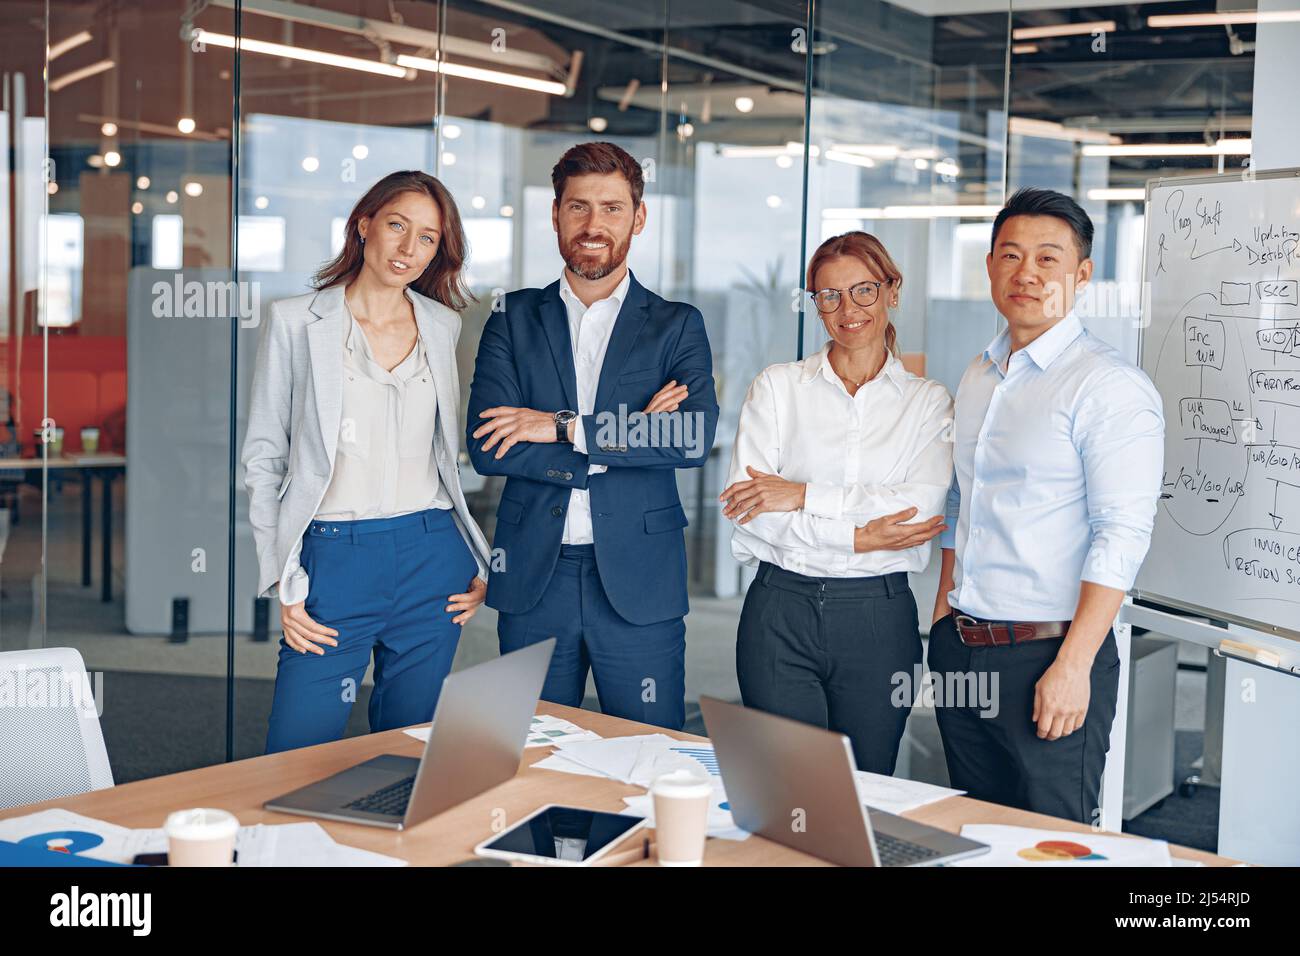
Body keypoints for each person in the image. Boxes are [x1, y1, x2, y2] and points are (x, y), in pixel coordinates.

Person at [929, 186, 1164, 823]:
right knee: (976, 831)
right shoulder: (979, 374)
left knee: (1052, 845)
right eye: (1010, 255)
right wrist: (943, 610)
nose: (1025, 273)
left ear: (1082, 274)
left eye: (1047, 259)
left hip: (1049, 655)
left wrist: (1074, 664)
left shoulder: (1108, 386)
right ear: (989, 266)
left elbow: (1122, 535)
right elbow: (961, 496)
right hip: (963, 645)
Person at [465, 141, 718, 731]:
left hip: (640, 577)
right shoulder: (511, 316)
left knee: (645, 749)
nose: (593, 224)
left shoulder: (676, 325)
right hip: (535, 576)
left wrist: (558, 426)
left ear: (638, 217)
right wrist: (621, 443)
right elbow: (488, 445)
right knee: (529, 750)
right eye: (578, 207)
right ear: (555, 214)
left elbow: (688, 439)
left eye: (611, 208)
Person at [242, 171, 491, 755]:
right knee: (297, 753)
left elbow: (445, 458)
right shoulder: (295, 321)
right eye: (398, 226)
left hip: (432, 554)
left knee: (412, 751)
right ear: (364, 224)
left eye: (428, 238)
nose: (409, 250)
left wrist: (476, 557)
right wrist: (283, 575)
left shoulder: (442, 324)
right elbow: (263, 459)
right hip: (334, 555)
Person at [720, 231, 953, 773]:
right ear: (816, 305)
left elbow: (916, 512)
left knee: (867, 786)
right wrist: (858, 533)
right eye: (830, 296)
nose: (848, 309)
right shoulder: (777, 389)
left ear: (892, 290)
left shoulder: (928, 402)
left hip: (878, 618)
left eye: (864, 291)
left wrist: (802, 496)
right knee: (785, 786)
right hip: (779, 610)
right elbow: (750, 513)